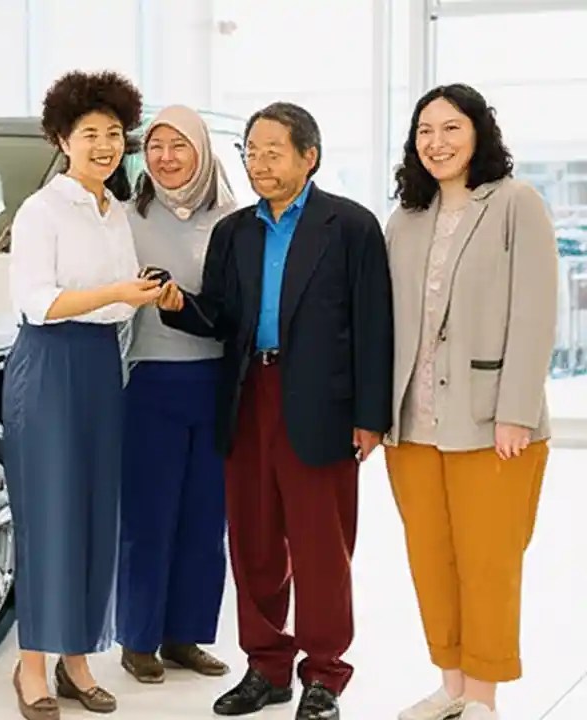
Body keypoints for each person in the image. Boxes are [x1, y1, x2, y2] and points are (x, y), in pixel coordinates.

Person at [155, 101, 393, 720]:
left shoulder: (352, 227)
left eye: (272, 151)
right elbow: (222, 320)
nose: (258, 164)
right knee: (254, 543)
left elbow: (375, 326)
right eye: (251, 152)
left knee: (321, 547)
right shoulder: (235, 232)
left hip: (322, 401)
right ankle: (266, 666)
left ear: (308, 157)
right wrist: (178, 303)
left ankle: (324, 674)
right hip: (247, 396)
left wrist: (370, 416)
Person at [383, 84, 557, 720]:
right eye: (425, 131)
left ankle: (482, 697)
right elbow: (386, 321)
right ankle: (451, 684)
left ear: (479, 133)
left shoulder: (516, 203)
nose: (437, 142)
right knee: (431, 558)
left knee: (488, 562)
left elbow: (536, 312)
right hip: (414, 422)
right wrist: (378, 415)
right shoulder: (404, 217)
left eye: (451, 128)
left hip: (492, 421)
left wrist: (515, 407)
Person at [3, 69, 157, 719]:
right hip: (49, 367)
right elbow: (39, 304)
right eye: (89, 133)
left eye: (114, 134)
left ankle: (77, 662)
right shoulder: (42, 211)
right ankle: (31, 667)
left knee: (96, 517)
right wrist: (117, 295)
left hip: (98, 366)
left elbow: (118, 297)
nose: (103, 144)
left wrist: (142, 292)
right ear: (62, 139)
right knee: (50, 520)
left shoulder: (112, 208)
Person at [116, 104, 238, 684]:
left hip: (215, 382)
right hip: (151, 381)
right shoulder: (125, 217)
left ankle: (184, 635)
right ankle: (138, 638)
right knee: (149, 514)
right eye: (156, 146)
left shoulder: (234, 219)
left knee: (204, 517)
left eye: (178, 146)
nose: (164, 158)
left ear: (202, 152)